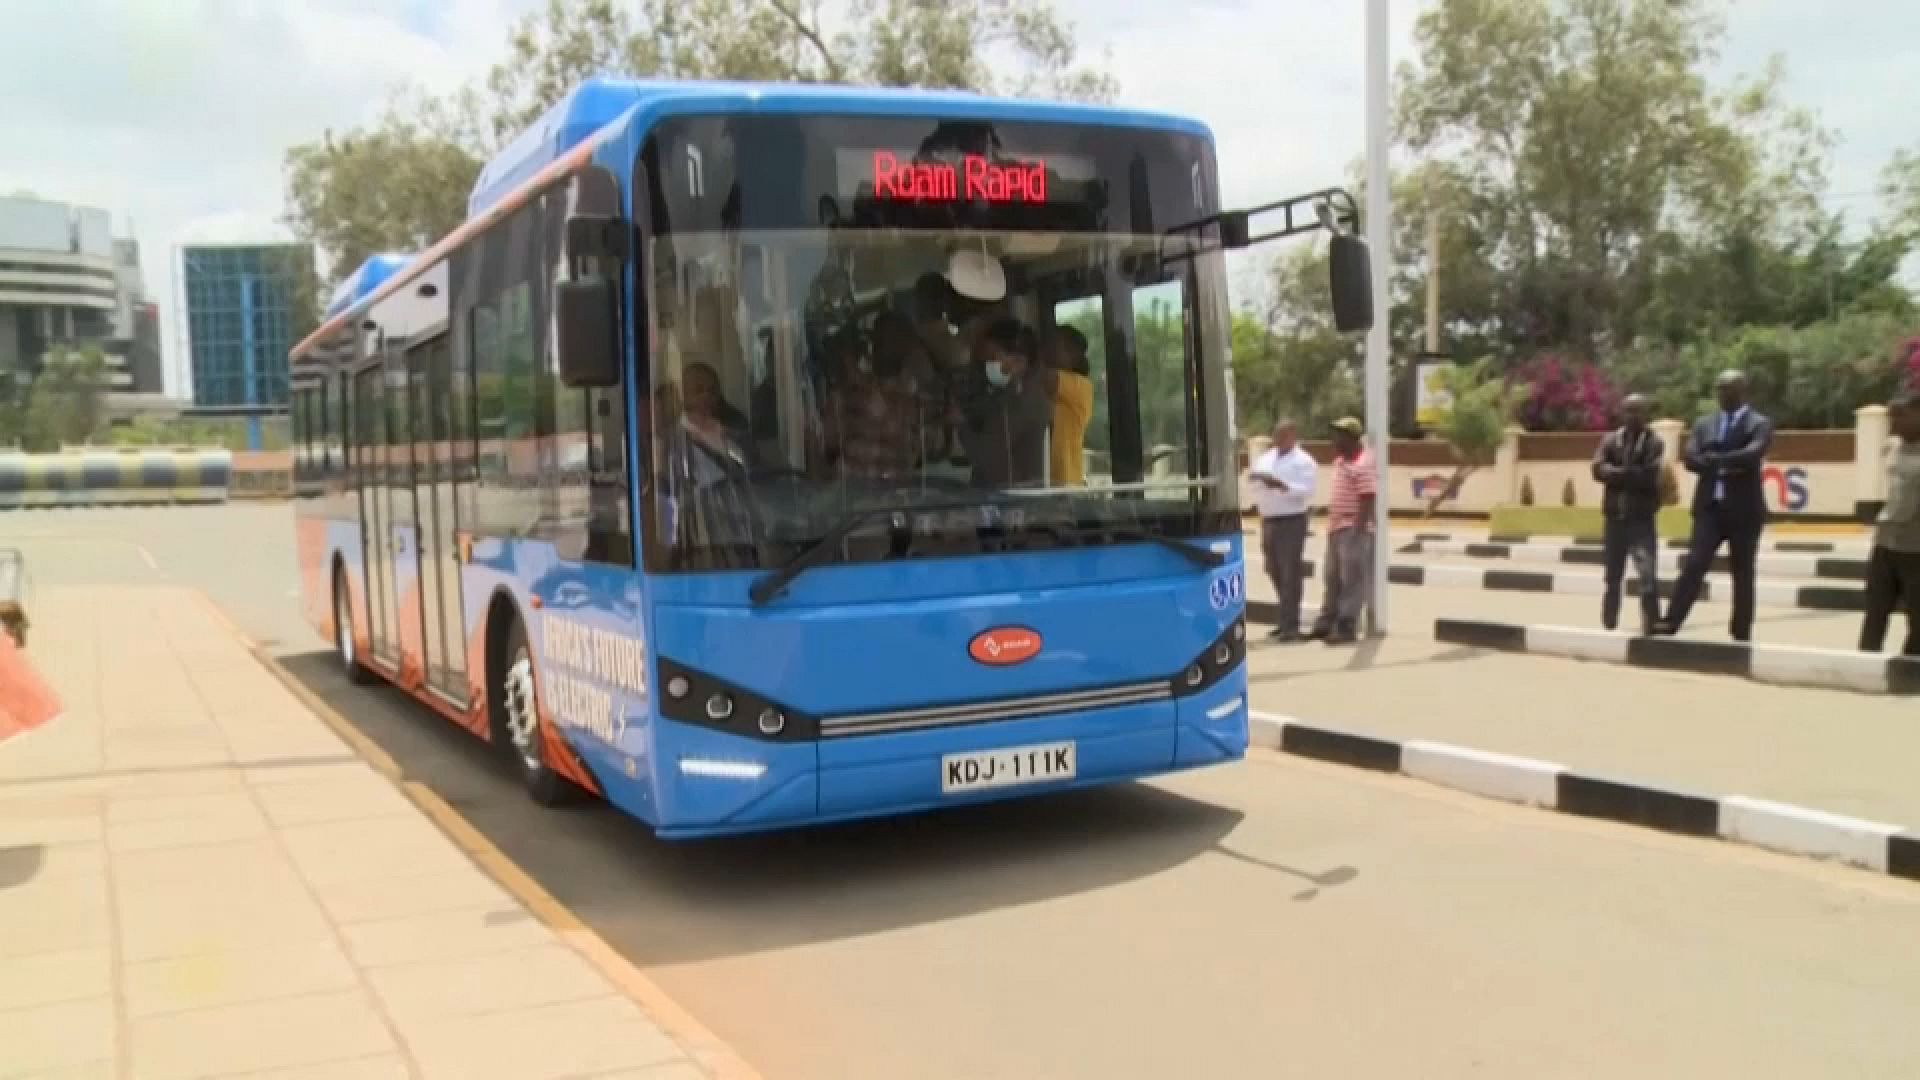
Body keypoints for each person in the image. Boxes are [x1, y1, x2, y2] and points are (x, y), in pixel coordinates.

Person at [1656, 370, 1774, 641]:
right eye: (1719, 388)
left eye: (1727, 389)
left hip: (1744, 511)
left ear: (1742, 391)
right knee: (1694, 563)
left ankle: (1741, 630)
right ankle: (1671, 621)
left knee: (1742, 570)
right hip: (1710, 508)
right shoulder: (1704, 424)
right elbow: (1691, 457)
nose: (1722, 394)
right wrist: (1727, 463)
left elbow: (1752, 454)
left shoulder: (1758, 423)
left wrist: (1716, 460)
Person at [1592, 393, 1666, 635]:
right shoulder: (1611, 440)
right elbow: (1597, 469)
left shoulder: (1653, 442)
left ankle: (1651, 622)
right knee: (1612, 575)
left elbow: (1648, 475)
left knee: (1647, 574)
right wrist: (1625, 473)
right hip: (1615, 519)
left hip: (1641, 520)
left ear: (1646, 414)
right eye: (1628, 411)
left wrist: (1616, 474)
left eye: (1637, 411)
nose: (1633, 416)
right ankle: (1609, 621)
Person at [1859, 391, 1920, 654]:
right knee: (1875, 610)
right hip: (1885, 545)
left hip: (1915, 548)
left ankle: (1910, 668)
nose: (1894, 424)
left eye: (1900, 417)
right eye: (1891, 418)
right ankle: (1866, 663)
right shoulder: (1893, 447)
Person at [958, 318, 1051, 488]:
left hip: (1014, 497)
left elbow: (987, 454)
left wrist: (960, 424)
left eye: (992, 359)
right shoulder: (1008, 394)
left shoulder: (1023, 402)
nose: (987, 367)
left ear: (1019, 362)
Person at [1249, 420, 1317, 642]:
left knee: (1290, 572)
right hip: (1269, 519)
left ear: (1292, 436)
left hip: (1291, 519)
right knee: (1273, 569)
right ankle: (1284, 618)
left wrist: (1282, 485)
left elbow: (1308, 490)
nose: (1277, 439)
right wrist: (1258, 481)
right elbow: (1253, 481)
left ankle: (1291, 624)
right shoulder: (1266, 458)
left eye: (1282, 435)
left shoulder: (1304, 461)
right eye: (1275, 435)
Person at [1309, 417, 1375, 646]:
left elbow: (1367, 498)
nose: (1334, 440)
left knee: (1351, 579)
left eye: (1339, 436)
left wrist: (1358, 530)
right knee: (1332, 576)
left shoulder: (1363, 463)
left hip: (1351, 528)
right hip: (1336, 528)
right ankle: (1327, 621)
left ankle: (1347, 625)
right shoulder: (1340, 462)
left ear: (1351, 437)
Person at [1035, 326, 1094, 485]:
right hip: (1042, 480)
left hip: (1066, 481)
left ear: (1072, 354)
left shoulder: (1081, 386)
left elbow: (1048, 378)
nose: (1048, 351)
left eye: (1054, 346)